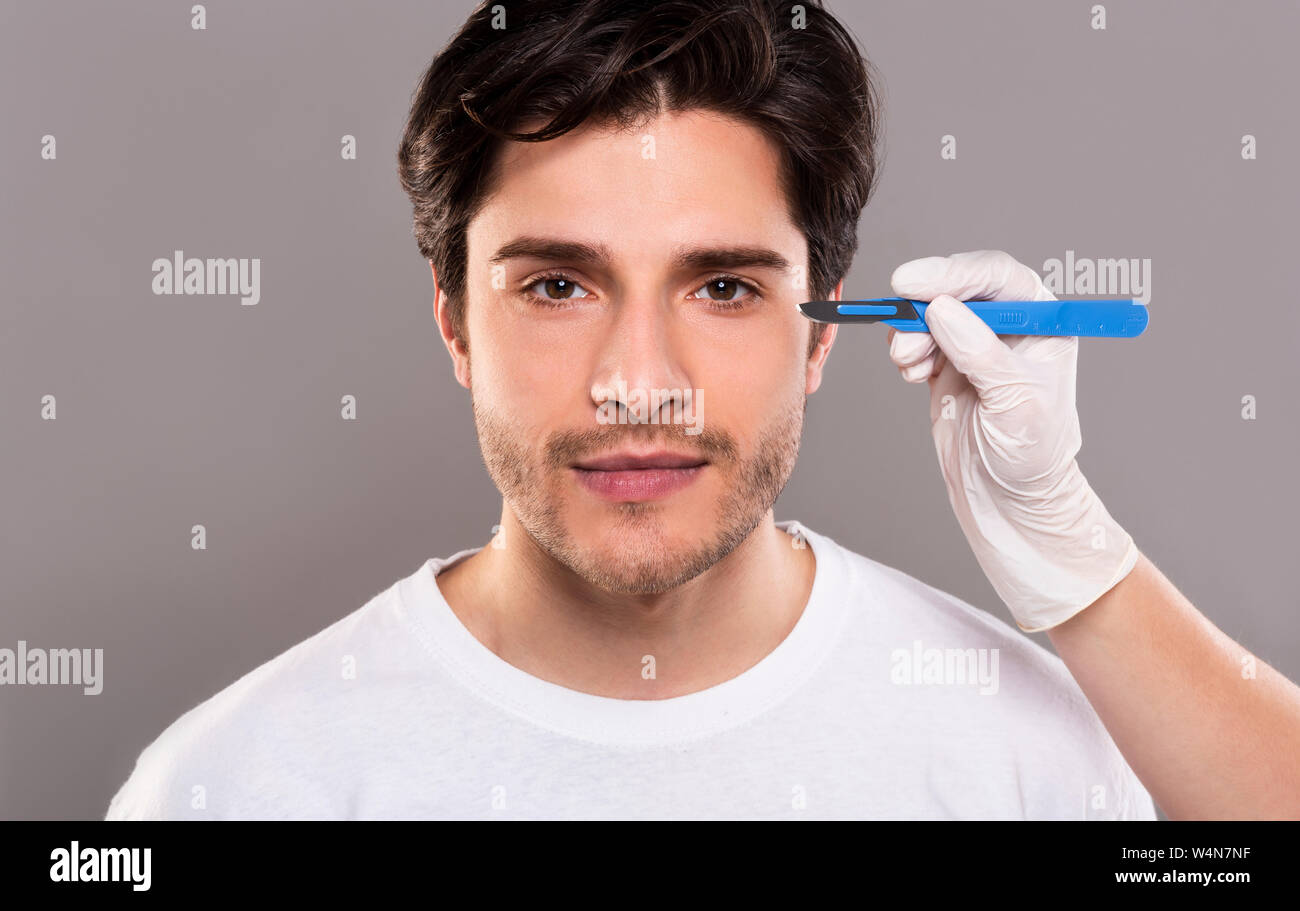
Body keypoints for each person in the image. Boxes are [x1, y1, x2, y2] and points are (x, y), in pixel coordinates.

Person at [106, 0, 1300, 820]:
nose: (639, 379)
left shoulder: (1028, 753)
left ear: (823, 323)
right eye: (558, 286)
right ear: (455, 321)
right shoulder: (233, 783)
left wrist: (1077, 564)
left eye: (723, 285)